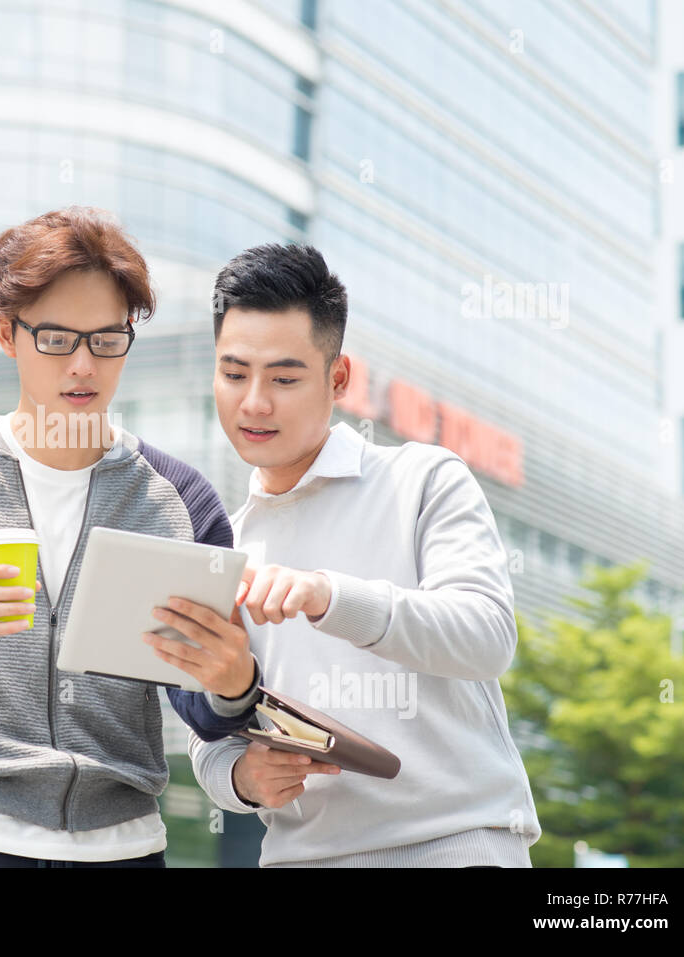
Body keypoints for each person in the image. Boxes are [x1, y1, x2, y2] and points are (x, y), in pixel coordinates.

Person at [0, 206, 261, 867]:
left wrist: (234, 684)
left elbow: (202, 706)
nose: (84, 365)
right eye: (57, 339)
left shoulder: (183, 500)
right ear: (7, 332)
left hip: (125, 845)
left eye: (107, 339)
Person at [181, 242, 541, 866]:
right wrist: (239, 781)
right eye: (234, 374)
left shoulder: (424, 478)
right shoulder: (221, 545)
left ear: (338, 378)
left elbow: (487, 636)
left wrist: (331, 596)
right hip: (298, 856)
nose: (255, 402)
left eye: (285, 378)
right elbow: (207, 726)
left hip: (454, 846)